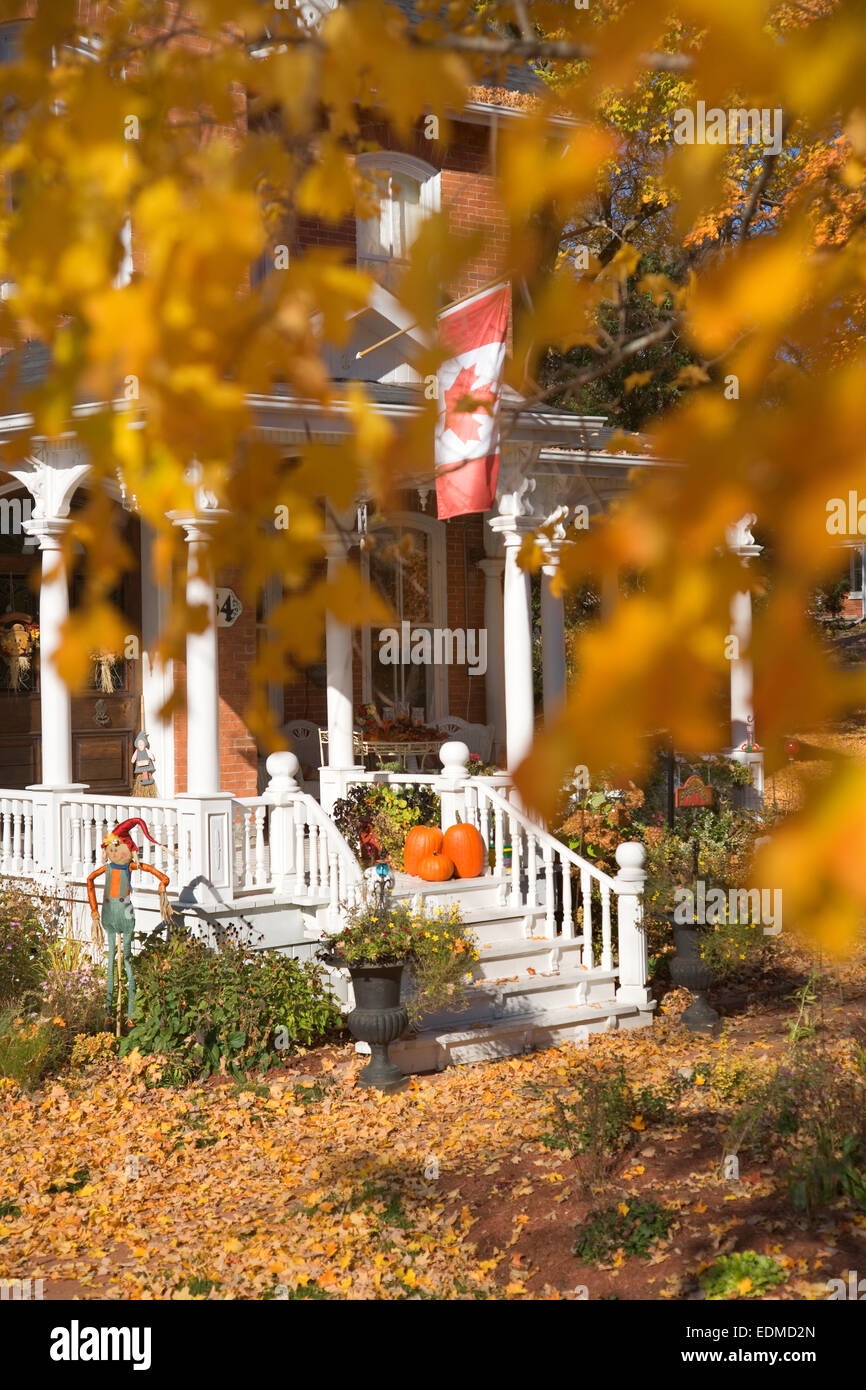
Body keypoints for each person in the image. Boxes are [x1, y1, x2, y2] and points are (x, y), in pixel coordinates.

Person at [87, 818, 172, 1021]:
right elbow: (89, 880)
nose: (115, 854)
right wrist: (94, 911)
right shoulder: (107, 869)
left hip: (125, 916)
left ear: (130, 851)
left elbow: (161, 876)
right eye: (111, 850)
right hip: (107, 916)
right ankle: (109, 1012)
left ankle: (131, 1013)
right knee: (110, 961)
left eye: (119, 850)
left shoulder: (130, 868)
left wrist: (163, 886)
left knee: (126, 959)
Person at [131, 730, 158, 797]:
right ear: (137, 744)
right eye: (139, 744)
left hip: (147, 766)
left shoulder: (146, 750)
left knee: (146, 773)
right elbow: (133, 758)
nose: (140, 745)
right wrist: (133, 760)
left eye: (142, 743)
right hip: (140, 766)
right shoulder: (137, 751)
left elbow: (151, 756)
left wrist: (152, 758)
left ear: (145, 743)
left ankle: (147, 782)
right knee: (141, 775)